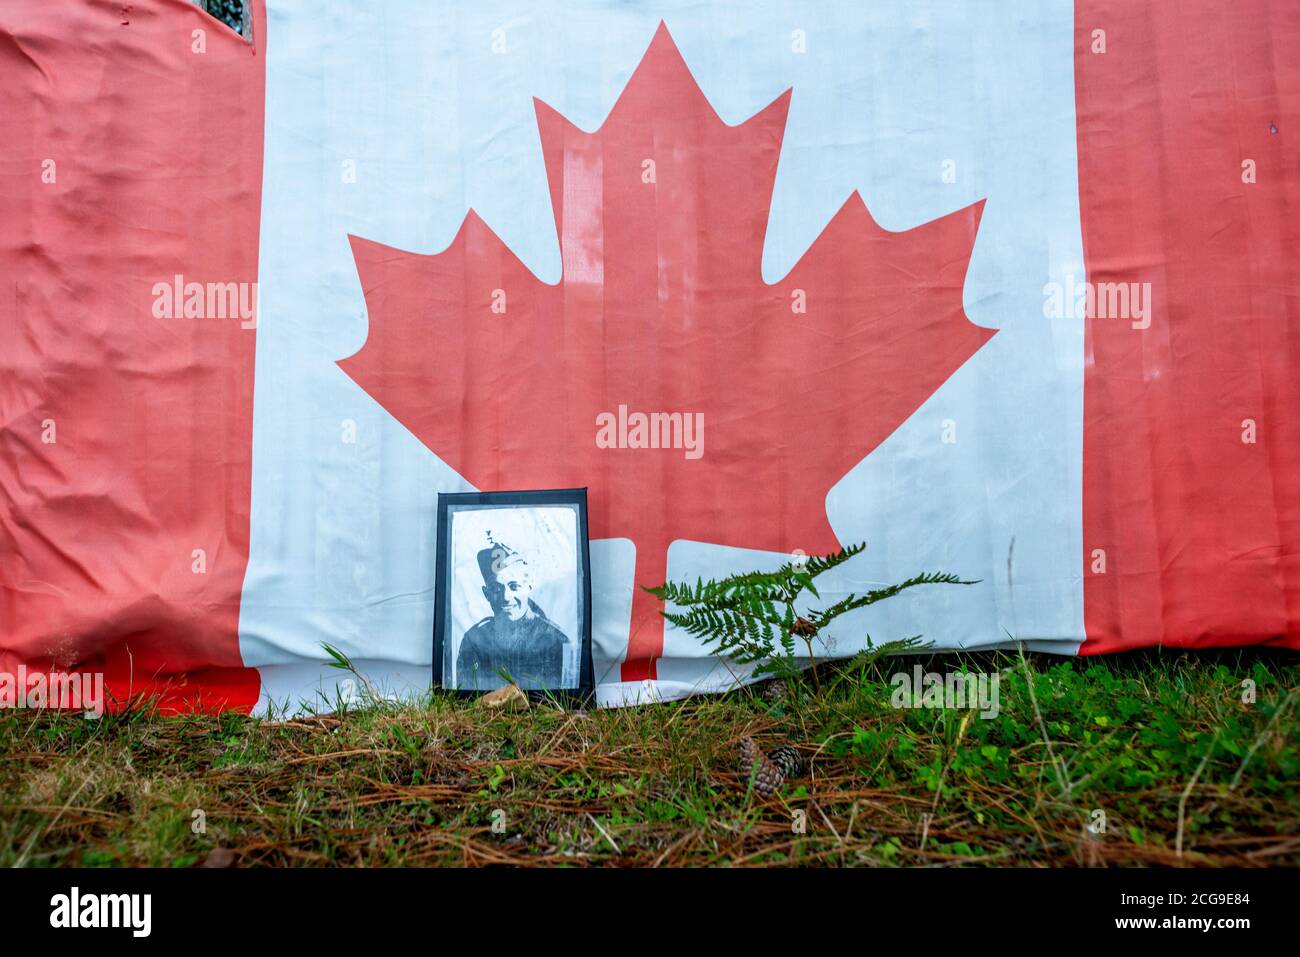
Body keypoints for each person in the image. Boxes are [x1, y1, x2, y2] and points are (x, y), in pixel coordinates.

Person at [455, 538, 568, 690]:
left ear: (529, 586)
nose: (506, 597)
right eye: (496, 588)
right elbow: (465, 699)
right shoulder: (474, 639)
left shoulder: (557, 640)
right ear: (486, 593)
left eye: (514, 586)